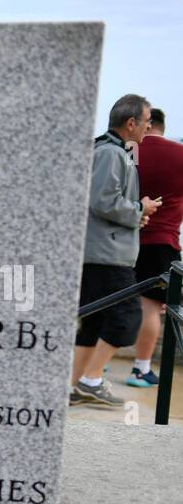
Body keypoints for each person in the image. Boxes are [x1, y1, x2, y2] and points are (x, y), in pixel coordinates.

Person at [70, 94, 161, 407]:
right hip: (107, 254)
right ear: (131, 122)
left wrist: (136, 216)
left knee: (94, 321)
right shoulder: (112, 153)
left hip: (99, 250)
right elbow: (103, 200)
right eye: (147, 121)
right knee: (127, 316)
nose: (149, 127)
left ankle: (75, 386)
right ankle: (91, 381)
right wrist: (140, 207)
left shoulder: (108, 149)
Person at [129, 107, 183, 387]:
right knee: (151, 308)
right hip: (162, 242)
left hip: (124, 239)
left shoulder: (130, 151)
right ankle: (140, 369)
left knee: (112, 301)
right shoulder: (179, 154)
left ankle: (93, 367)